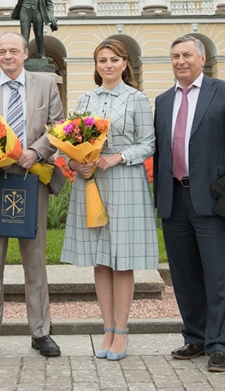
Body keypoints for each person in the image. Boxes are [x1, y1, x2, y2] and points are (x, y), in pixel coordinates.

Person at [152, 35, 225, 373]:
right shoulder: (164, 100)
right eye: (174, 56)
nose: (180, 61)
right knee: (184, 275)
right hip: (174, 199)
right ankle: (195, 336)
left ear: (202, 58)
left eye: (186, 55)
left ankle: (221, 344)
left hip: (214, 200)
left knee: (218, 274)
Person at [0, 31, 66, 358]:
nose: (8, 56)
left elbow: (58, 126)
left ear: (24, 53)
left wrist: (36, 151)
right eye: (2, 51)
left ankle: (41, 332)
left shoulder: (46, 84)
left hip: (31, 180)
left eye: (13, 51)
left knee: (34, 261)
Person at [60, 39, 156, 361]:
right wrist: (76, 162)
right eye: (102, 60)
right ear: (96, 65)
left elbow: (148, 144)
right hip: (92, 182)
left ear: (125, 64)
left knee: (121, 258)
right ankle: (107, 328)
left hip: (125, 181)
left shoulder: (136, 98)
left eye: (114, 59)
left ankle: (123, 330)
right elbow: (69, 142)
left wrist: (118, 157)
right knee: (100, 258)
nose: (108, 65)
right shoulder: (87, 98)